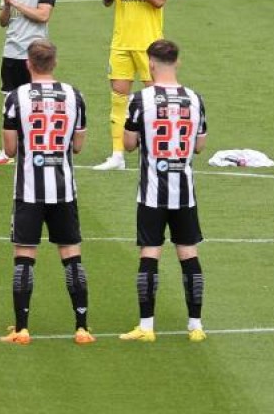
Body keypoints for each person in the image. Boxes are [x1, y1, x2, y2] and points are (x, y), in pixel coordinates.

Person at [0, 41, 93, 345]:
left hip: (28, 189)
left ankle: (22, 328)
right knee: (71, 255)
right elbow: (77, 146)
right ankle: (82, 327)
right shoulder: (74, 96)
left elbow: (10, 149)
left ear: (28, 63)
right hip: (64, 189)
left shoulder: (16, 98)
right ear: (54, 63)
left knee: (24, 256)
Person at [119, 38, 208, 342]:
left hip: (152, 192)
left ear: (151, 64)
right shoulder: (195, 99)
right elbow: (199, 145)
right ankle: (196, 326)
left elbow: (129, 145)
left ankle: (146, 326)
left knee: (150, 253)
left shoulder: (141, 100)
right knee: (189, 254)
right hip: (185, 192)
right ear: (177, 62)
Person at [93, 0, 172, 171]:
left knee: (155, 99)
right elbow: (106, 1)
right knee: (118, 97)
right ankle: (117, 155)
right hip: (121, 41)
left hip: (149, 44)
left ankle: (154, 151)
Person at [0, 0, 58, 165]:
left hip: (34, 54)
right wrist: (7, 6)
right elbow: (1, 21)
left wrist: (15, 2)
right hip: (11, 52)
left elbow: (43, 15)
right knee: (9, 102)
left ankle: (36, 146)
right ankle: (7, 151)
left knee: (35, 102)